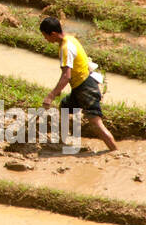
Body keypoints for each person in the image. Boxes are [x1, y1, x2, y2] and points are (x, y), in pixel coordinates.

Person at [39, 16, 117, 151]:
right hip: (80, 86)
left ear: (52, 34)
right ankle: (64, 142)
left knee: (96, 123)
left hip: (86, 88)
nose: (46, 39)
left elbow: (66, 76)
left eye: (45, 36)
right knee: (64, 106)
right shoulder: (70, 39)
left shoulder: (65, 48)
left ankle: (115, 151)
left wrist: (51, 95)